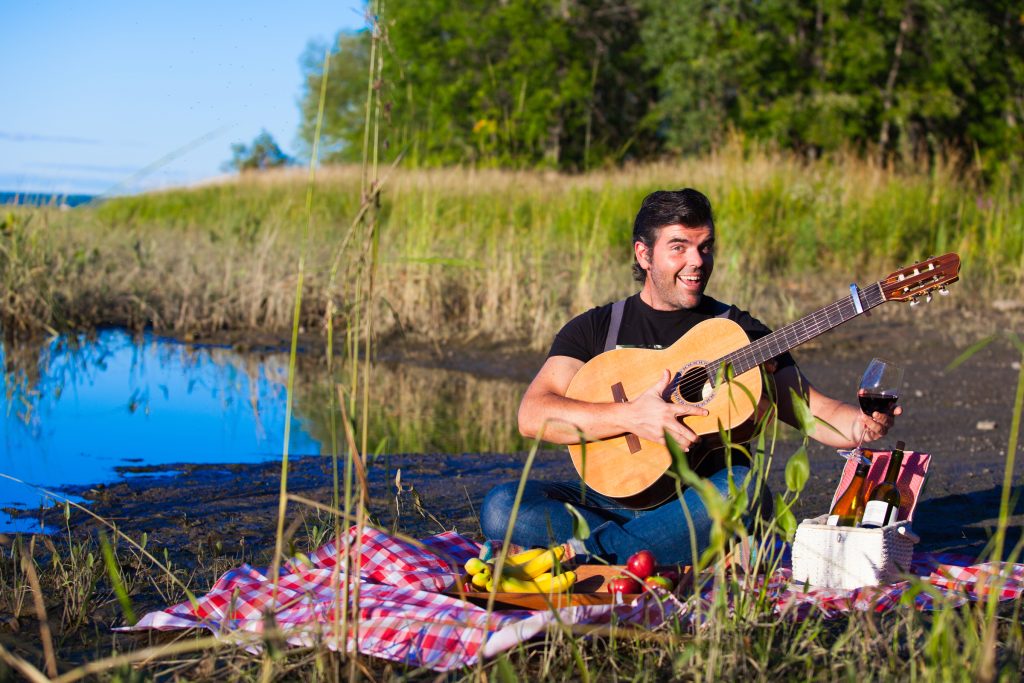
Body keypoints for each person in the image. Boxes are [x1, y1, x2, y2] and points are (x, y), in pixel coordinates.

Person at [479, 188, 901, 565]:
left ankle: (591, 556)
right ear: (644, 254)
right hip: (605, 501)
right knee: (502, 505)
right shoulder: (597, 328)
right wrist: (632, 417)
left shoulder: (739, 332)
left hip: (698, 503)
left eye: (705, 247)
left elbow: (815, 412)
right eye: (679, 247)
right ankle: (641, 554)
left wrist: (862, 426)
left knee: (746, 489)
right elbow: (533, 415)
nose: (697, 262)